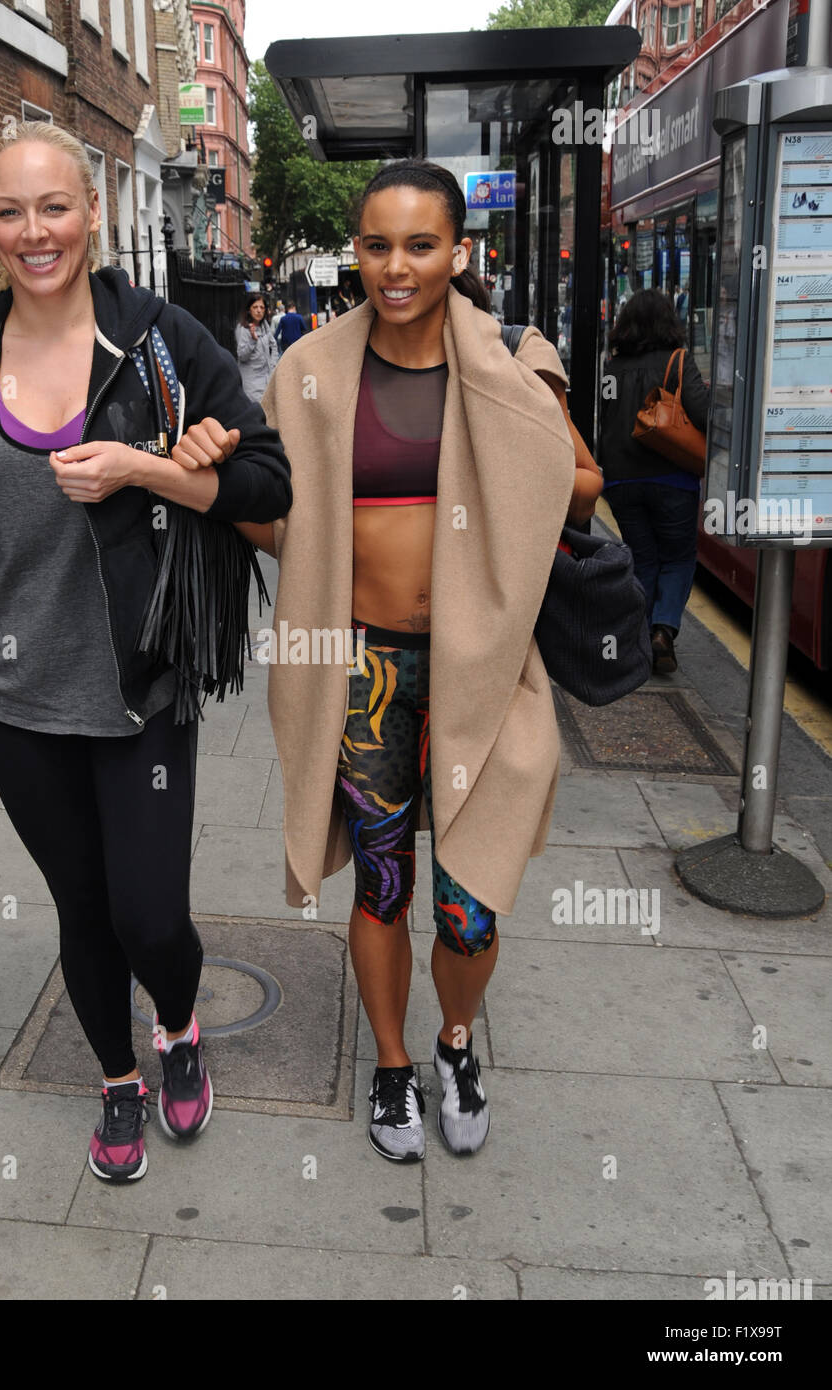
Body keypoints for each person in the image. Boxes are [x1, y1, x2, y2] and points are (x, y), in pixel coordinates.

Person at [0, 121, 291, 1184]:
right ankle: (116, 1079)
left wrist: (150, 468)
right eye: (10, 211)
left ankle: (178, 1023)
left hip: (139, 686)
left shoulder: (159, 341)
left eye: (55, 207)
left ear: (92, 212)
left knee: (149, 912)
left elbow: (269, 495)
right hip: (13, 699)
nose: (34, 231)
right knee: (82, 909)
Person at [236, 159, 602, 1164]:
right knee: (383, 885)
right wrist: (194, 481)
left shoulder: (509, 359)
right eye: (376, 244)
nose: (394, 267)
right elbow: (280, 525)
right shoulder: (309, 370)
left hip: (483, 667)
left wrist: (522, 425)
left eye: (419, 245)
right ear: (355, 249)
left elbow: (581, 485)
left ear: (456, 251)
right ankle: (393, 1066)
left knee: (468, 908)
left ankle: (454, 1040)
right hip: (367, 672)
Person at [599, 287, 709, 673]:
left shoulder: (611, 367)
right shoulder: (678, 362)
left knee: (643, 559)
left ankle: (643, 643)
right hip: (671, 478)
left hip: (621, 481)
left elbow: (606, 420)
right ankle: (663, 629)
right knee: (678, 557)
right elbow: (702, 411)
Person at [235, 292, 279, 402]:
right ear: (249, 310)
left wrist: (273, 366)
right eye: (255, 307)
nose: (259, 310)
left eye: (262, 307)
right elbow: (242, 356)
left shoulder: (264, 326)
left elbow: (273, 345)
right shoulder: (243, 329)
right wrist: (252, 340)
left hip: (267, 380)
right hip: (252, 384)